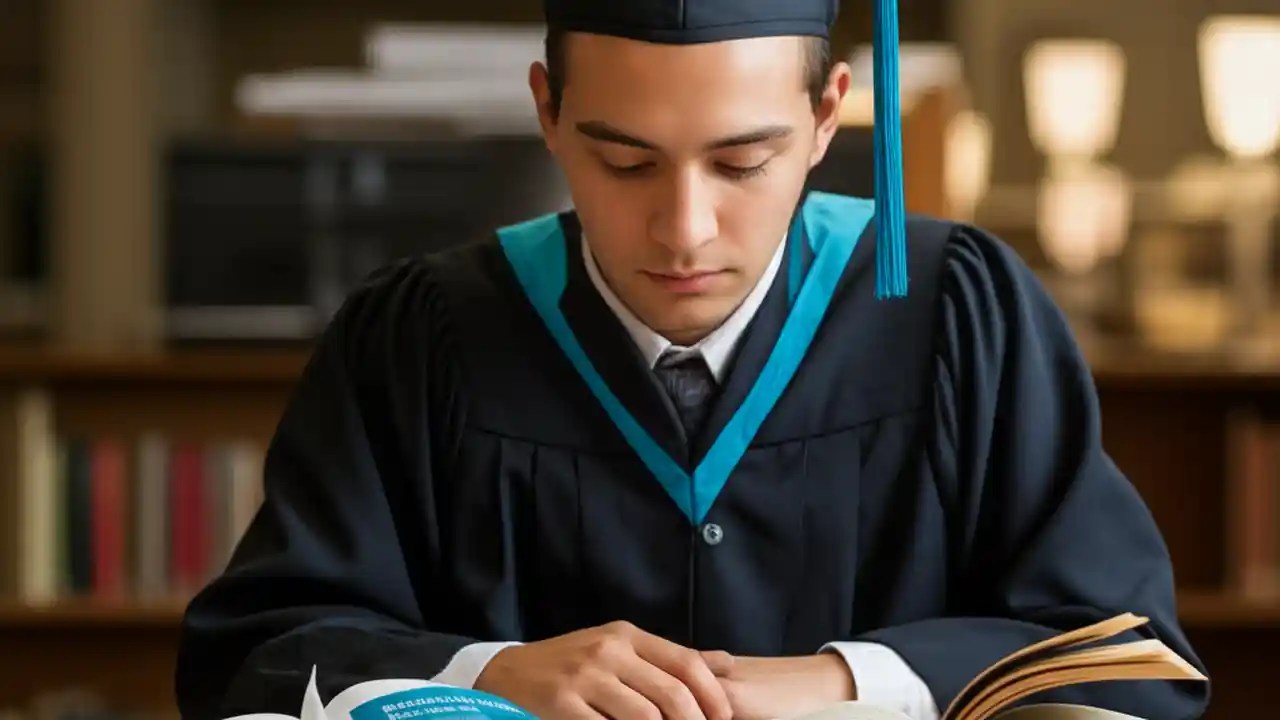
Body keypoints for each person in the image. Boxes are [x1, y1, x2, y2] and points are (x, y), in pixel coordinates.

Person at [175, 2, 1210, 720]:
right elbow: (253, 659)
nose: (682, 229)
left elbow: (1124, 658)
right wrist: (491, 674)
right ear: (545, 109)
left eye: (739, 161)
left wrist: (842, 681)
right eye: (623, 161)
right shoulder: (420, 335)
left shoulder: (956, 312)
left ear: (823, 115)